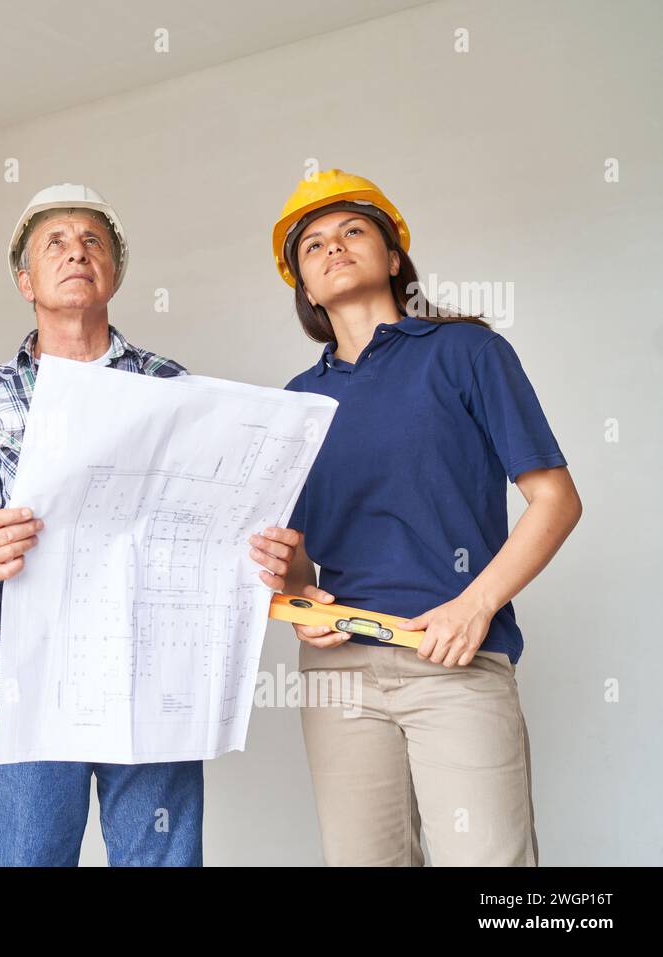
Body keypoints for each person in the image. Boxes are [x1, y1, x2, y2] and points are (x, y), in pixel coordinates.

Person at [0, 183, 302, 866]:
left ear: (115, 272)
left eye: (93, 241)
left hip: (155, 676)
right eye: (57, 242)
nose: (77, 252)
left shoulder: (173, 387)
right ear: (25, 281)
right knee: (30, 858)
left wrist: (267, 555)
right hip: (30, 685)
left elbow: (212, 530)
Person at [273, 170, 582, 866]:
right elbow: (293, 555)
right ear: (306, 288)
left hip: (456, 662)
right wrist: (299, 603)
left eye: (353, 230)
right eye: (312, 245)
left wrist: (476, 606)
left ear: (392, 256)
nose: (333, 248)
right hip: (339, 676)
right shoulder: (294, 402)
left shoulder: (467, 353)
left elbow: (557, 500)